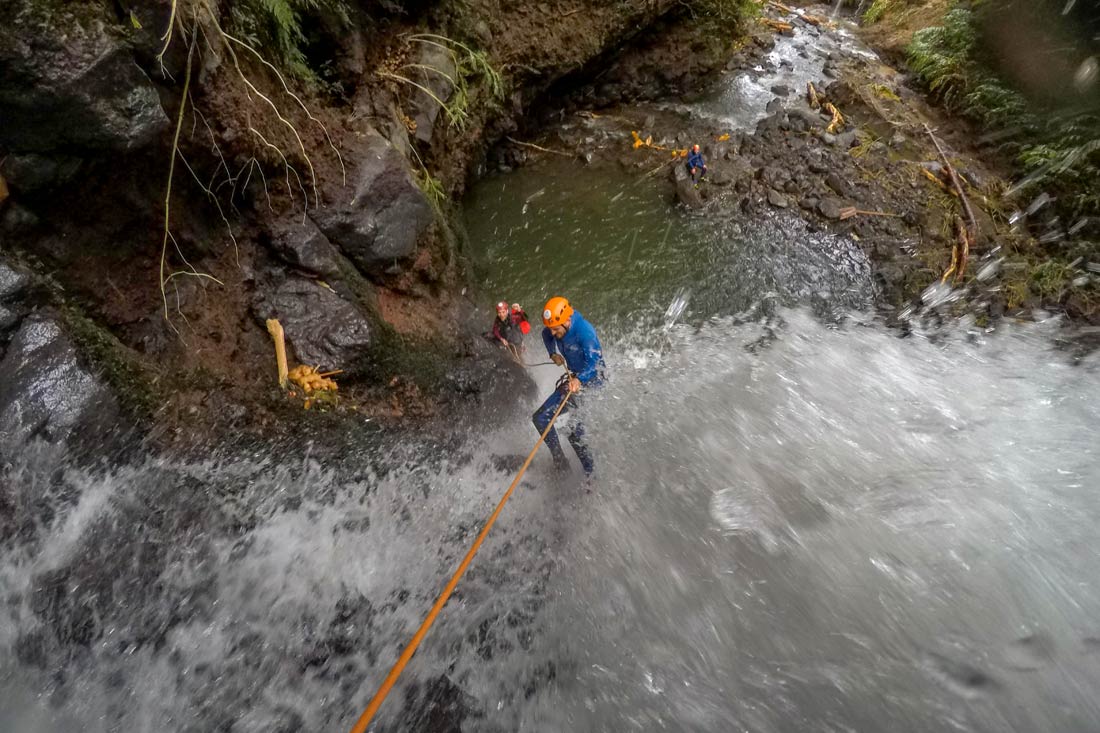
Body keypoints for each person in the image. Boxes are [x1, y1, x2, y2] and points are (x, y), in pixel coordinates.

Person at [532, 296, 606, 482]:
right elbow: (546, 335)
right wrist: (552, 353)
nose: (553, 333)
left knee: (574, 431)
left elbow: (595, 363)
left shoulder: (584, 331)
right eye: (551, 328)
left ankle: (592, 475)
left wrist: (580, 379)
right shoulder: (554, 328)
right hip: (575, 379)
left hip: (594, 381)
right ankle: (561, 463)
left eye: (556, 329)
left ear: (566, 321)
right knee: (540, 418)